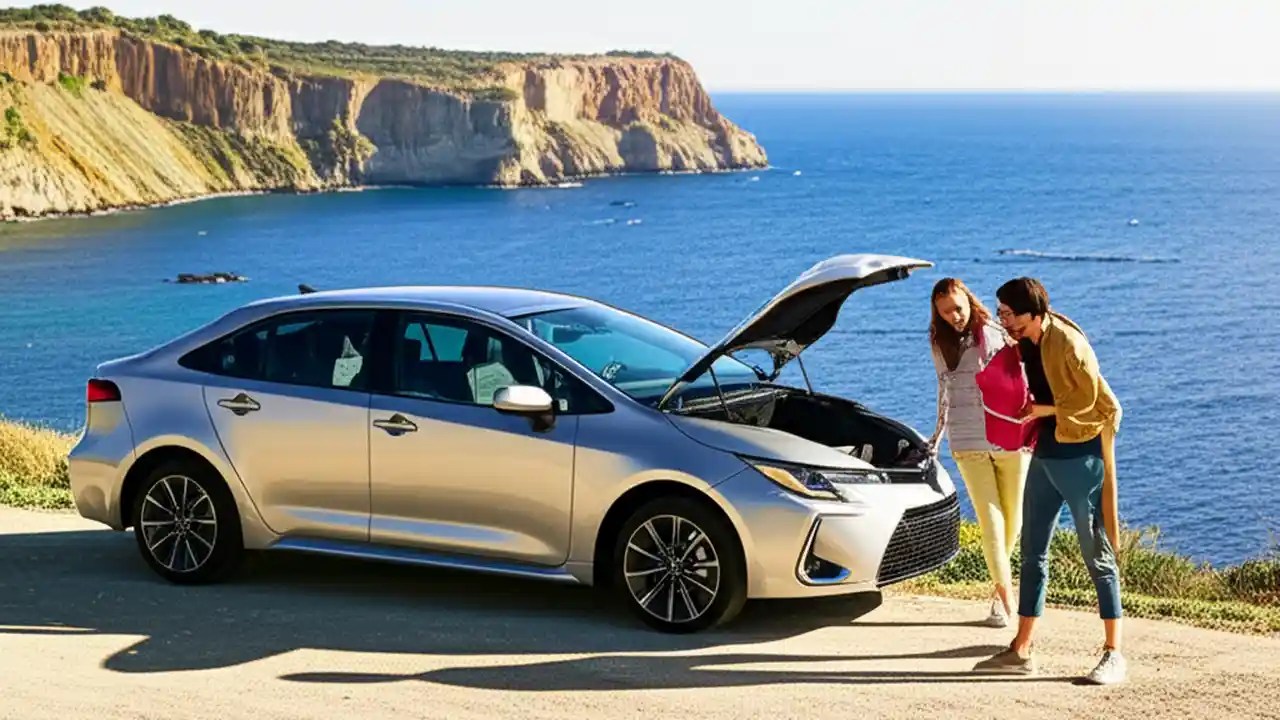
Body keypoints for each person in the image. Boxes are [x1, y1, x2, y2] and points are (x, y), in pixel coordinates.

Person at [973, 277, 1126, 685]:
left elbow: (1088, 401)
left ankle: (1114, 654)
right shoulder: (1025, 341)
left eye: (1010, 314)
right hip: (1046, 452)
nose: (1005, 321)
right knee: (1032, 550)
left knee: (1097, 553)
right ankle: (1021, 648)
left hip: (1081, 452)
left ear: (1034, 313)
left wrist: (1040, 410)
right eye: (1001, 313)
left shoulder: (1069, 343)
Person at [927, 278, 1031, 628]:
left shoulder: (997, 332)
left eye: (957, 308)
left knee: (1013, 520)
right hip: (967, 438)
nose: (954, 316)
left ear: (969, 301)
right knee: (990, 520)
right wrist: (937, 438)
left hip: (1008, 435)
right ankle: (1006, 598)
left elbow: (1022, 376)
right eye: (945, 312)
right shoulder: (939, 341)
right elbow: (943, 389)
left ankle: (999, 594)